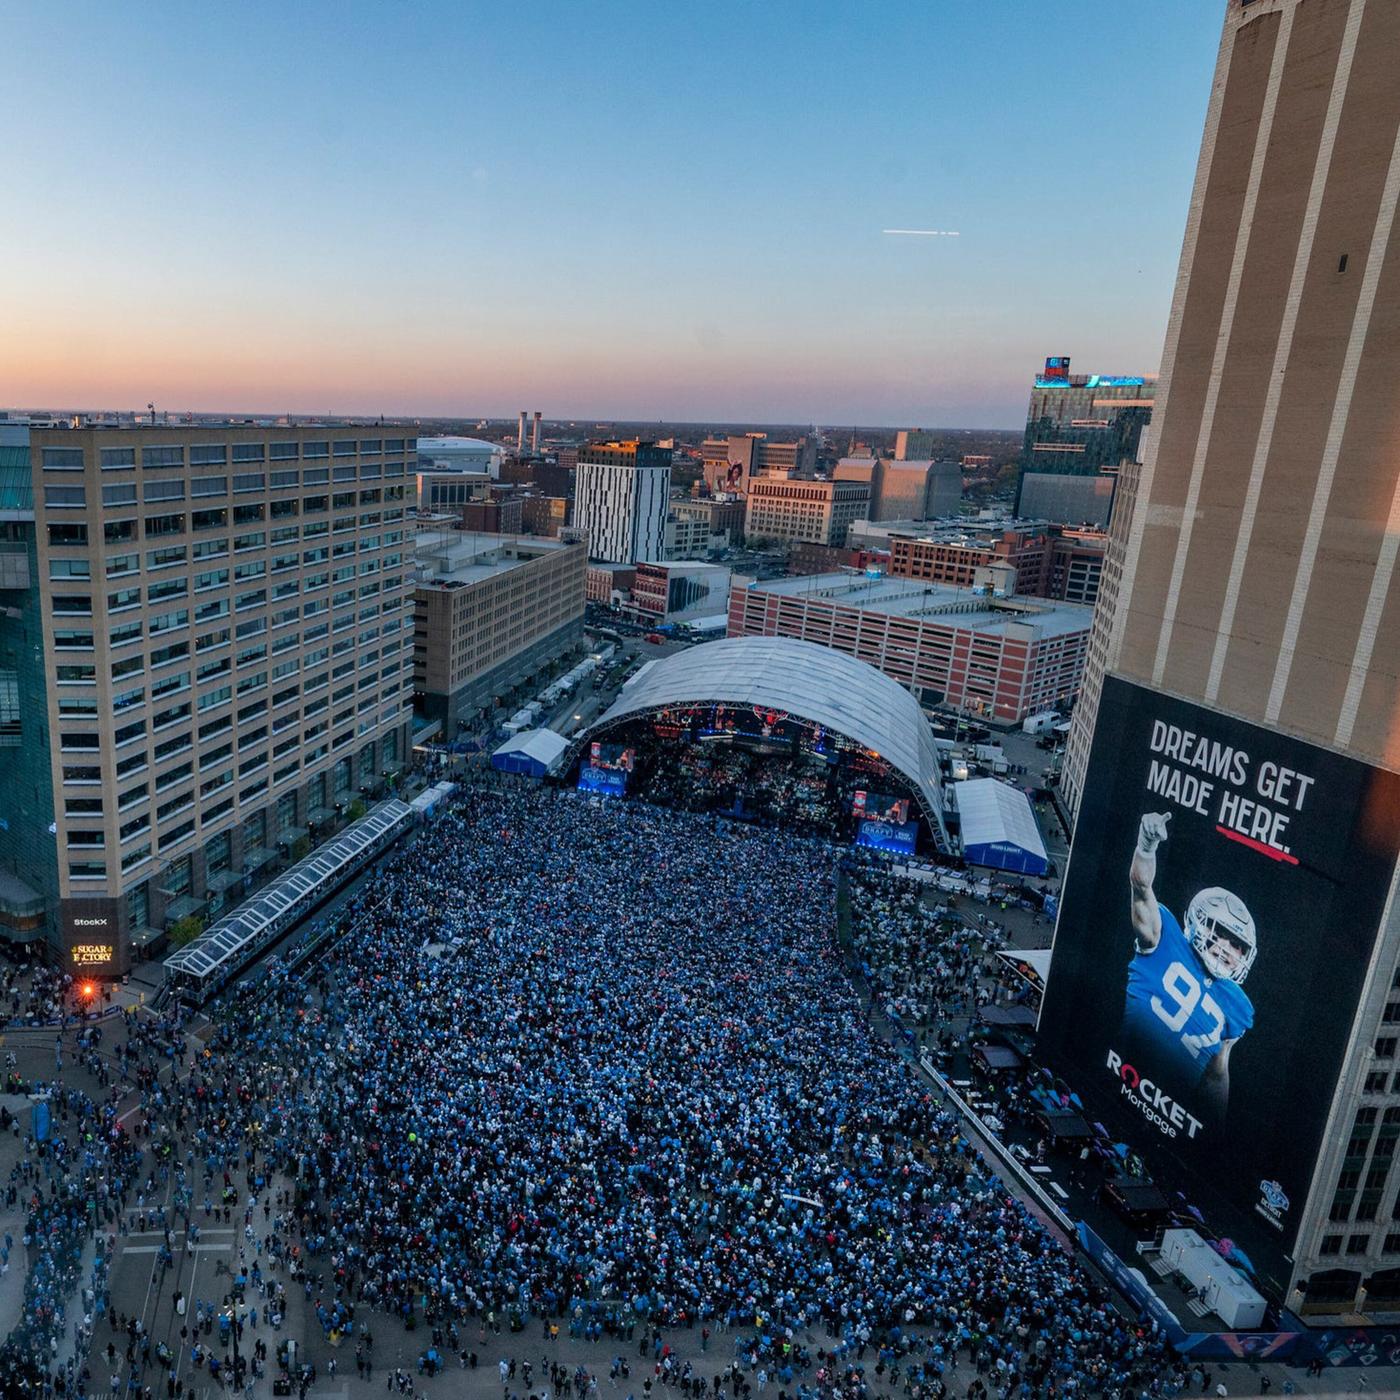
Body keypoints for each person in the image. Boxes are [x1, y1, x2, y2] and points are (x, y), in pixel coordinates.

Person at [1123, 811, 1255, 1117]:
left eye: (1238, 945)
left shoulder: (1238, 1006)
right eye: (1220, 934)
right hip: (1127, 1068)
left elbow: (1217, 1073)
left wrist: (1214, 1133)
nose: (1227, 948)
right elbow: (1141, 888)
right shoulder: (1164, 936)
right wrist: (1145, 848)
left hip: (1175, 1106)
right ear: (1198, 922)